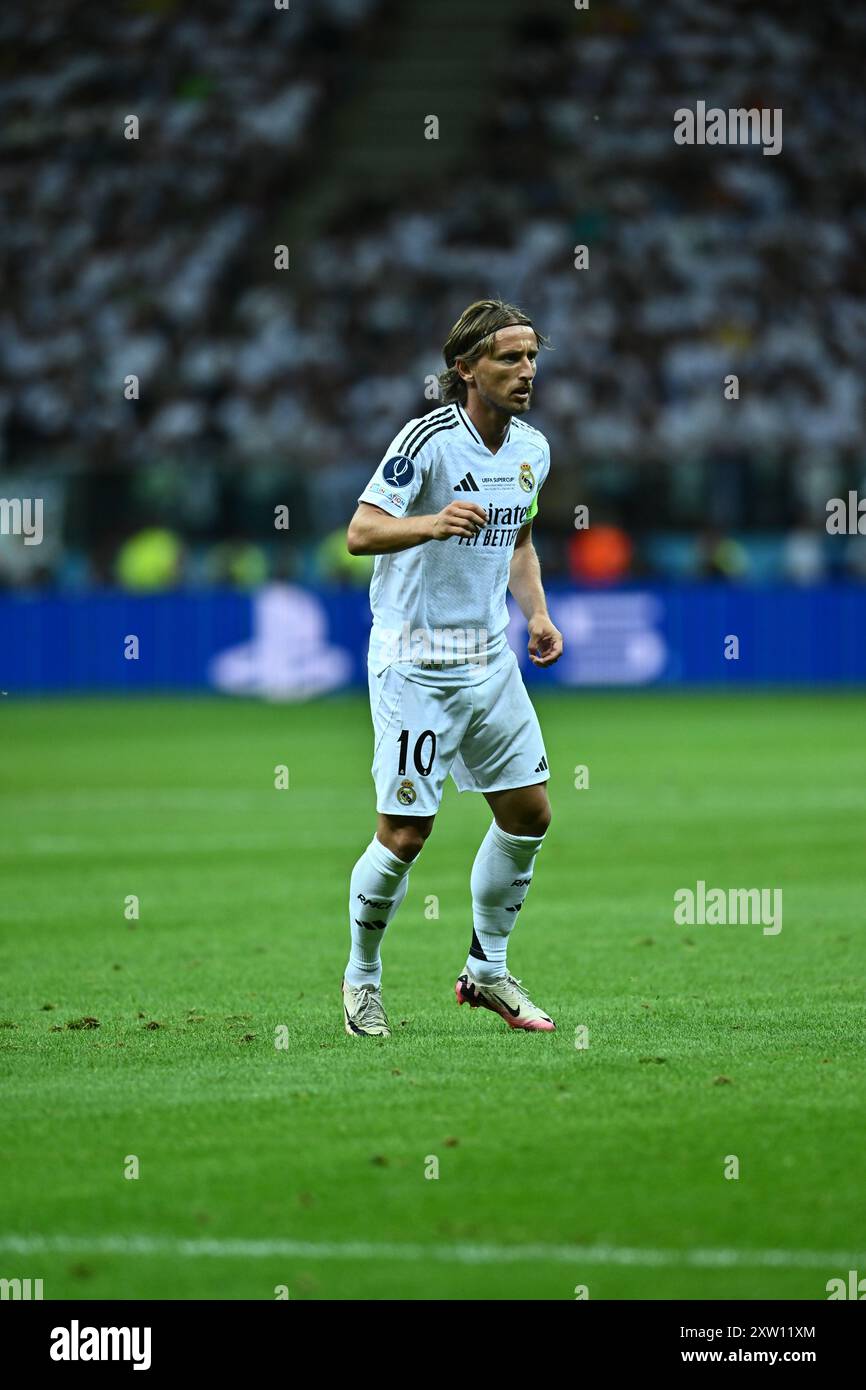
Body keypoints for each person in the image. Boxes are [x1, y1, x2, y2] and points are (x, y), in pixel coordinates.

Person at [343, 299, 564, 1036]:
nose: (526, 370)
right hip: (414, 663)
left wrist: (535, 613)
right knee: (405, 835)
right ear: (466, 368)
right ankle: (363, 978)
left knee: (529, 813)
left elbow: (521, 543)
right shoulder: (428, 440)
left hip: (488, 658)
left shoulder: (532, 449)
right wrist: (433, 521)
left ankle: (487, 971)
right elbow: (361, 530)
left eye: (532, 356)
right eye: (509, 358)